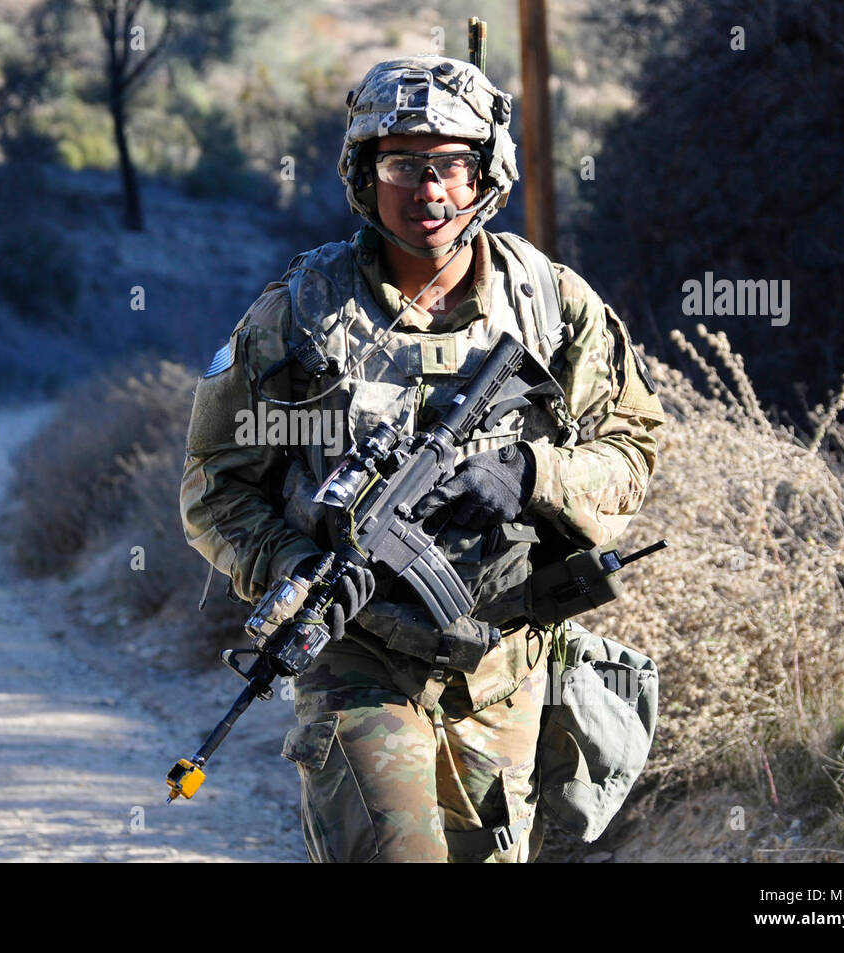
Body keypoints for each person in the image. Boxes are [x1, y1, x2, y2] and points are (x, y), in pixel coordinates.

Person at [179, 55, 666, 862]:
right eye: (403, 163)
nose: (429, 188)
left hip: (503, 659)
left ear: (486, 173)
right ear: (365, 175)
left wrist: (535, 475)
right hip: (357, 654)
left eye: (450, 164)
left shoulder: (550, 302)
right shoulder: (299, 316)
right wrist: (297, 568)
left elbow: (635, 446)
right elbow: (214, 486)